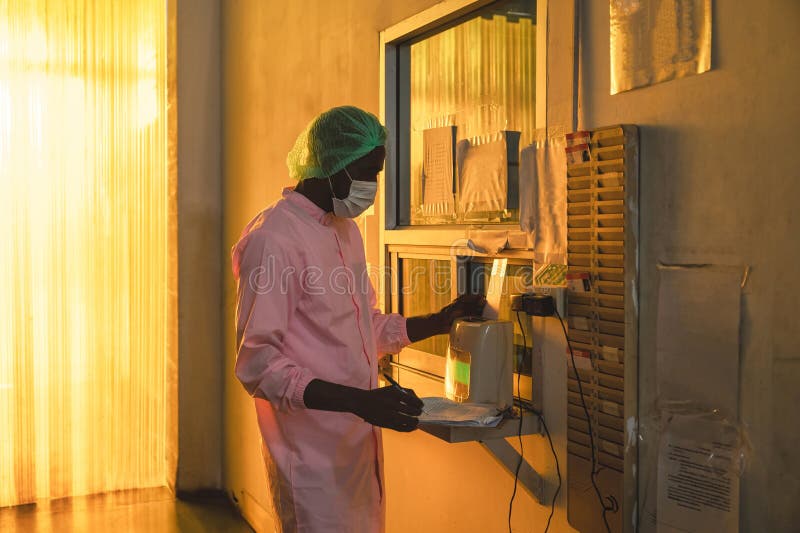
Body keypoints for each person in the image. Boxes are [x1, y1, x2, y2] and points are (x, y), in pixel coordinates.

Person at [231, 105, 485, 533]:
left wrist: (439, 321)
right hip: (310, 459)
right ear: (331, 165)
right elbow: (257, 365)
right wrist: (358, 400)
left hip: (357, 448)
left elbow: (364, 326)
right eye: (368, 171)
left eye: (377, 173)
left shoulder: (345, 230)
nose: (372, 186)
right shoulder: (273, 240)